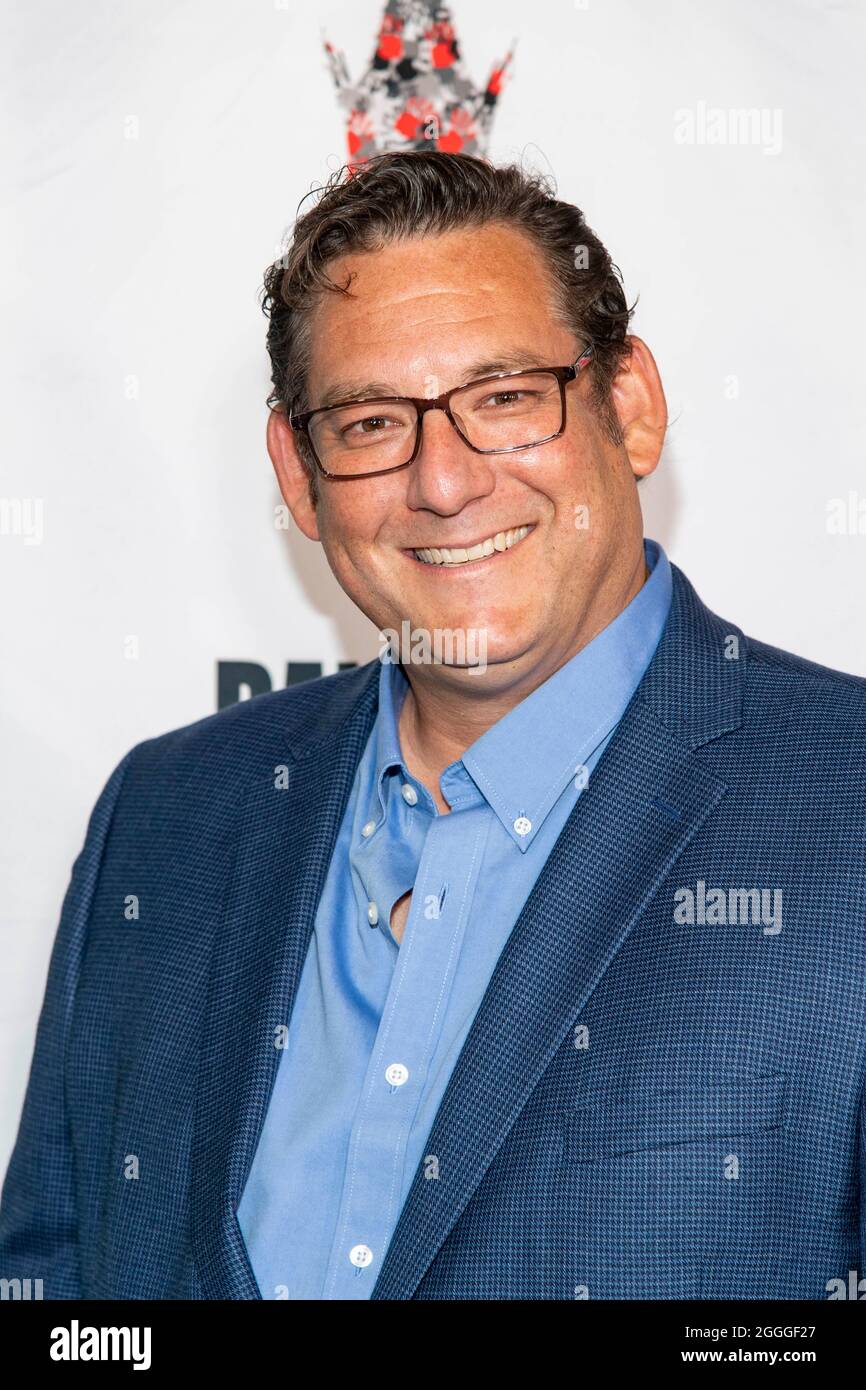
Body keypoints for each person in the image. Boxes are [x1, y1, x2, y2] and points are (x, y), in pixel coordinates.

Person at [2, 150, 864, 1301]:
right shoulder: (164, 819)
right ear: (299, 476)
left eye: (504, 398)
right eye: (370, 423)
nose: (443, 483)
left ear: (628, 407)